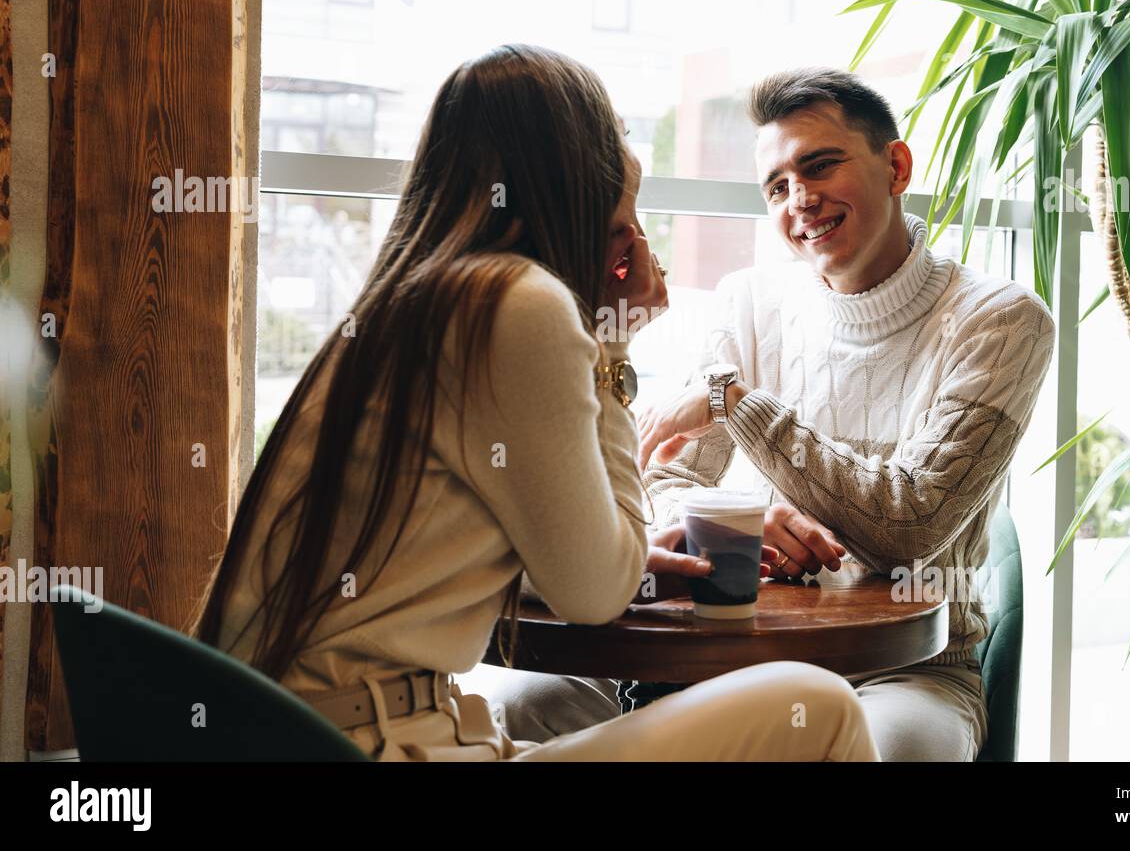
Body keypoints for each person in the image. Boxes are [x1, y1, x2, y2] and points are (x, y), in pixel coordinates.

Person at [190, 45, 878, 762]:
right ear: (575, 170)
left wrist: (627, 556)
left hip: (302, 731)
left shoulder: (413, 299)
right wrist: (613, 343)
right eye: (615, 144)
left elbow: (504, 551)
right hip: (373, 743)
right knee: (817, 705)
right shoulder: (521, 305)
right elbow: (596, 595)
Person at [496, 67, 1055, 761]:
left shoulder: (1001, 322)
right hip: (711, 655)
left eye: (820, 167)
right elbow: (665, 480)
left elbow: (910, 527)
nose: (801, 200)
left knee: (897, 752)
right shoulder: (748, 302)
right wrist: (736, 524)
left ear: (897, 166)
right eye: (777, 187)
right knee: (522, 706)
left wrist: (737, 402)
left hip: (900, 671)